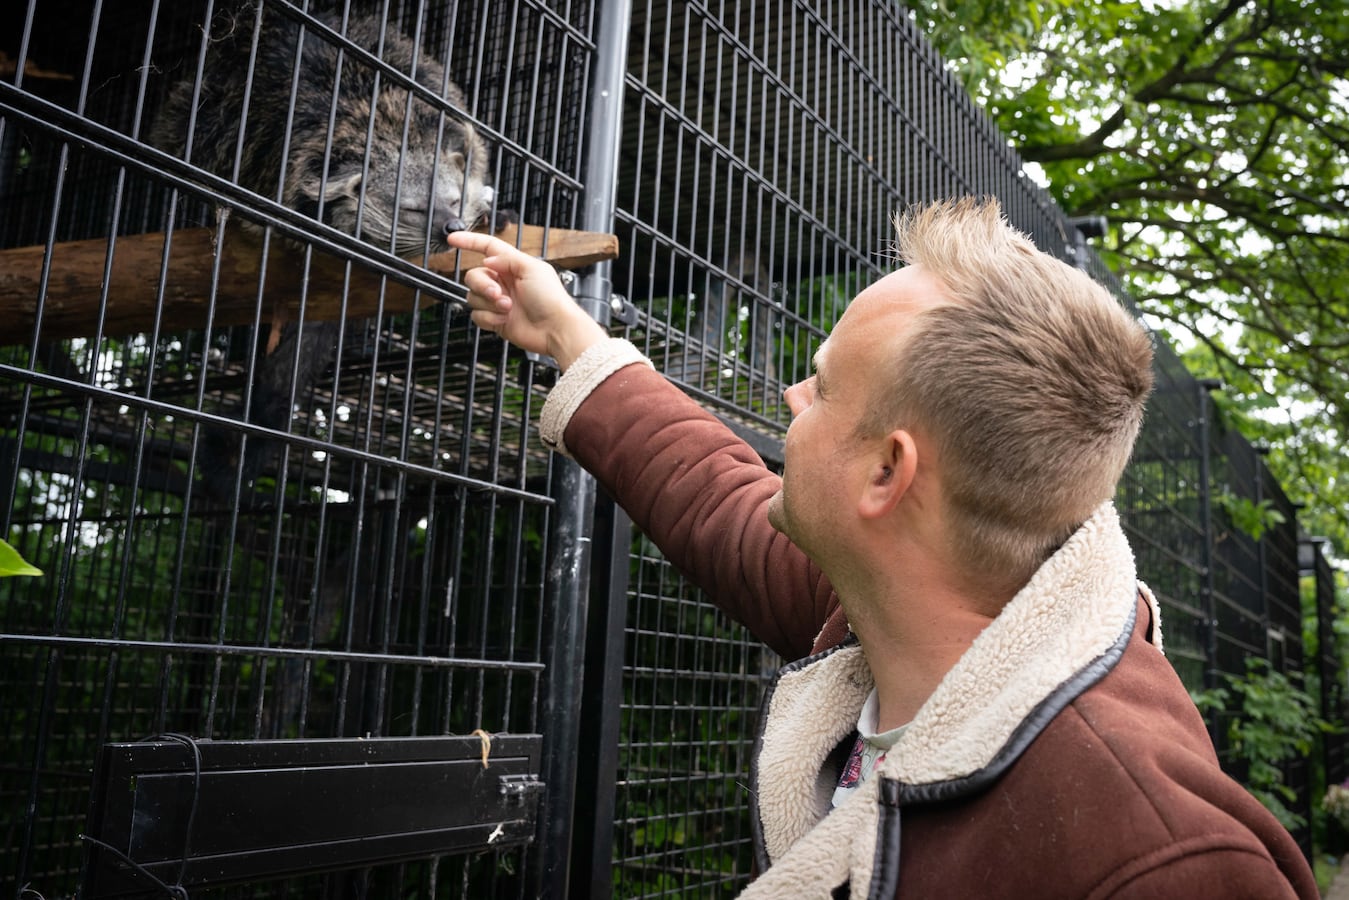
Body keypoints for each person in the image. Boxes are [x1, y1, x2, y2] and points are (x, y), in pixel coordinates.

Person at [447, 198, 1317, 899]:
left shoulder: (1163, 860)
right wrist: (568, 335)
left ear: (886, 475)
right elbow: (718, 499)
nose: (792, 394)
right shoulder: (898, 613)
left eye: (822, 386)